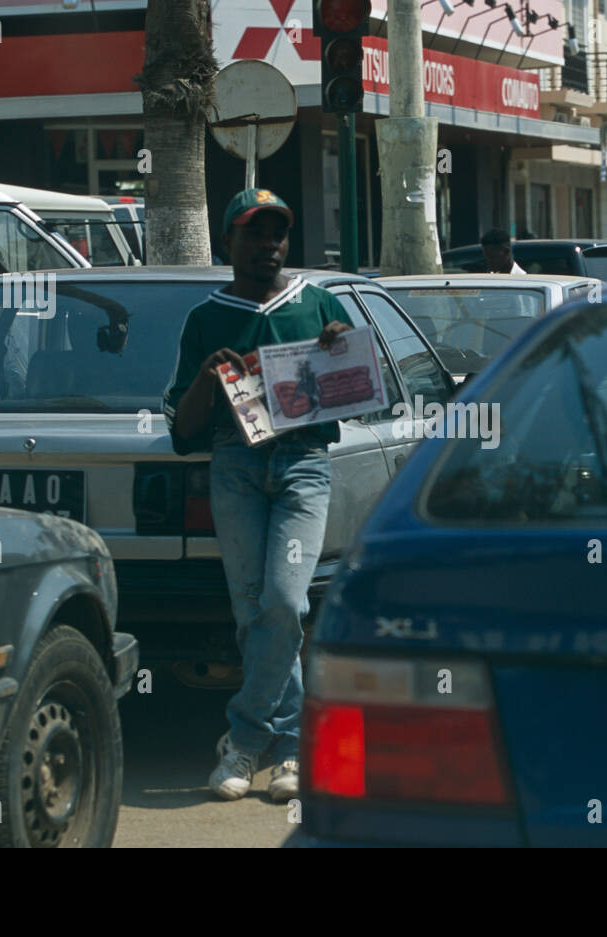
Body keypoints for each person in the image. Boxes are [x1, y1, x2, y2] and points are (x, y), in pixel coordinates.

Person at [163, 188, 353, 803]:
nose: (268, 244)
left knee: (285, 602)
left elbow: (350, 392)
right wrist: (204, 378)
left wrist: (338, 349)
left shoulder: (318, 303)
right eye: (254, 233)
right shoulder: (205, 318)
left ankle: (243, 739)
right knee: (255, 616)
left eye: (277, 234)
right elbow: (183, 431)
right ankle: (295, 750)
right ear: (230, 242)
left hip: (303, 464)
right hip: (236, 467)